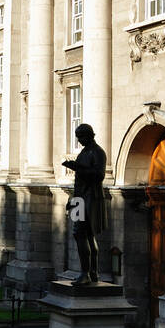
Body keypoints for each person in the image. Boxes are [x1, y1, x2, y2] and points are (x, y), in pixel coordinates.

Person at [61, 122, 108, 285]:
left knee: (82, 233)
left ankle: (87, 273)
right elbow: (79, 181)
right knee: (83, 234)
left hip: (90, 197)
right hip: (79, 198)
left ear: (90, 135)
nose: (79, 140)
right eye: (78, 137)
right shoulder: (84, 152)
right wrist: (72, 201)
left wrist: (77, 168)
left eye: (81, 137)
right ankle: (91, 272)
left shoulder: (97, 152)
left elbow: (99, 175)